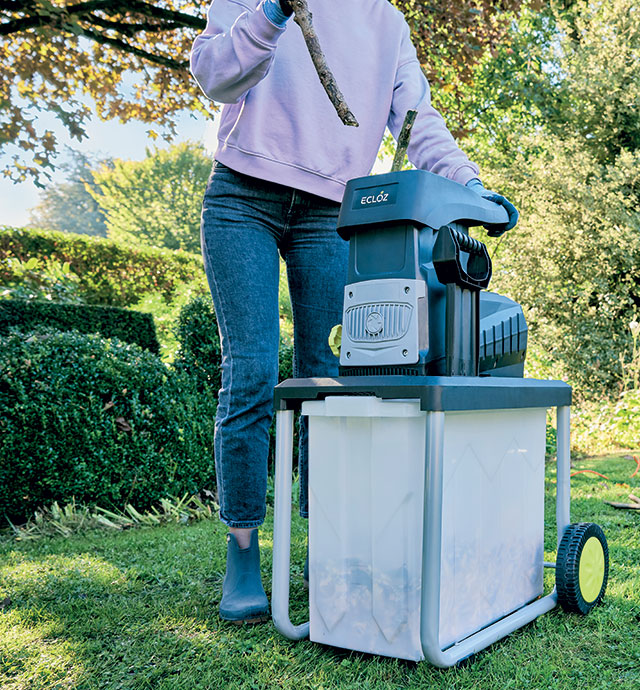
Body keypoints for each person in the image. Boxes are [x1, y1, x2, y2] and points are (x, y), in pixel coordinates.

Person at [189, 0, 519, 623]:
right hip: (241, 198)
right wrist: (272, 14)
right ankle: (242, 549)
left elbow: (417, 120)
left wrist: (468, 184)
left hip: (330, 212)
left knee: (324, 381)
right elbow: (213, 75)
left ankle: (327, 548)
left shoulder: (384, 21)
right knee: (254, 370)